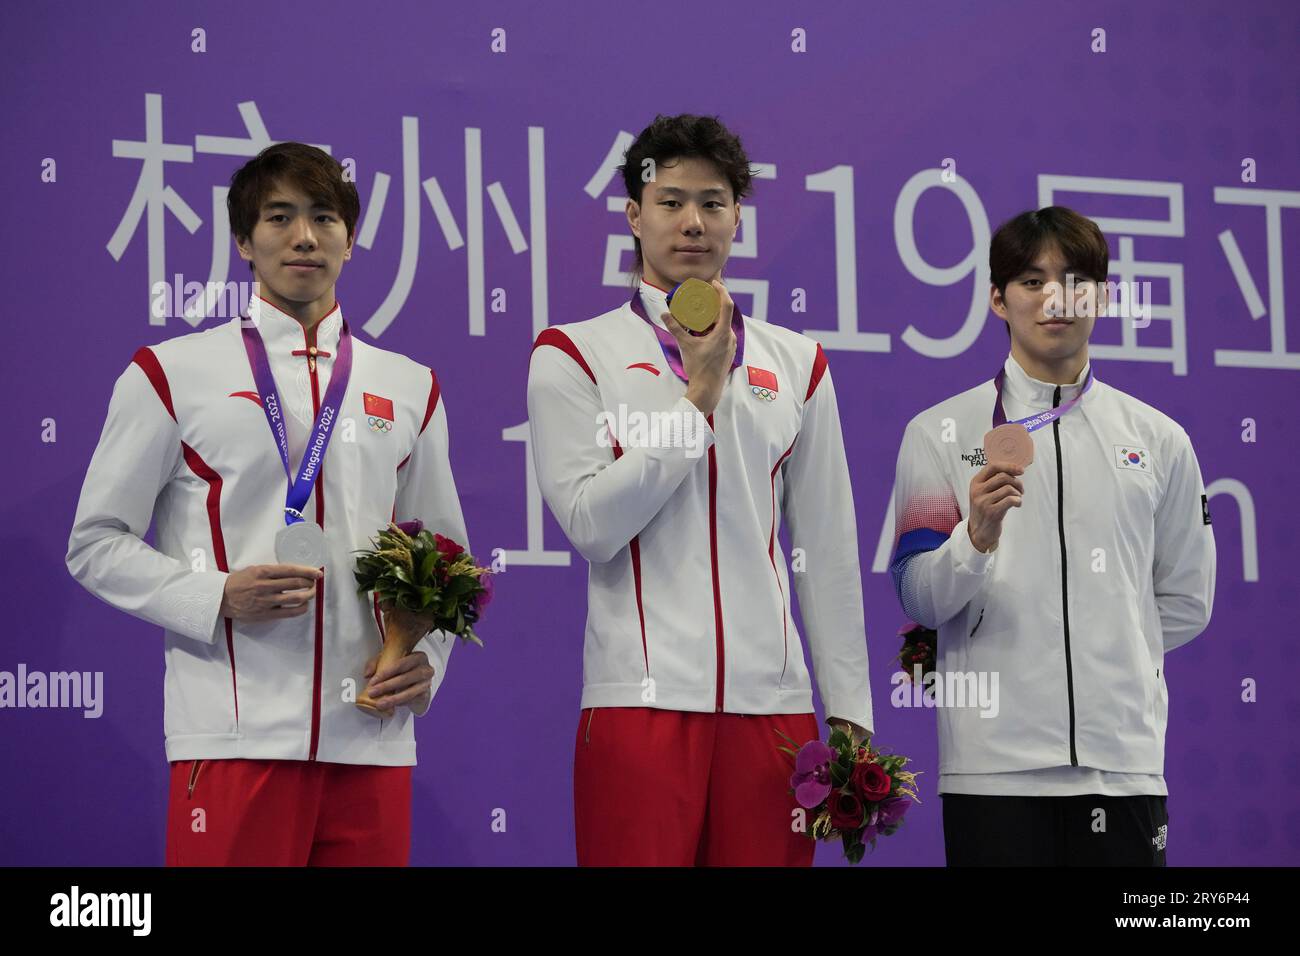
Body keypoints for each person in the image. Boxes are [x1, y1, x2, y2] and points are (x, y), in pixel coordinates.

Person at [65, 142, 470, 866]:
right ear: (244, 242)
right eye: (279, 217)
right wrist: (213, 594)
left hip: (371, 741)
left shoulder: (410, 385)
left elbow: (442, 559)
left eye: (324, 217)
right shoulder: (172, 373)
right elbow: (95, 540)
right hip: (233, 738)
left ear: (350, 237)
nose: (305, 237)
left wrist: (427, 659)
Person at [527, 114, 873, 866]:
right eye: (670, 200)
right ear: (633, 214)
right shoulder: (574, 353)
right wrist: (698, 401)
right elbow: (591, 523)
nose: (692, 222)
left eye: (713, 203)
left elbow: (827, 546)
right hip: (639, 708)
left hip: (773, 716)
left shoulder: (799, 362)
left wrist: (847, 706)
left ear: (738, 217)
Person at [889, 206, 1216, 866]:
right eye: (1032, 281)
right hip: (993, 772)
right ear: (997, 300)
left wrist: (1108, 652)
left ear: (1102, 295)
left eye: (1075, 280)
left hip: (1121, 768)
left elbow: (1185, 601)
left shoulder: (1158, 440)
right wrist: (975, 538)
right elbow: (920, 596)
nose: (1055, 299)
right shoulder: (941, 433)